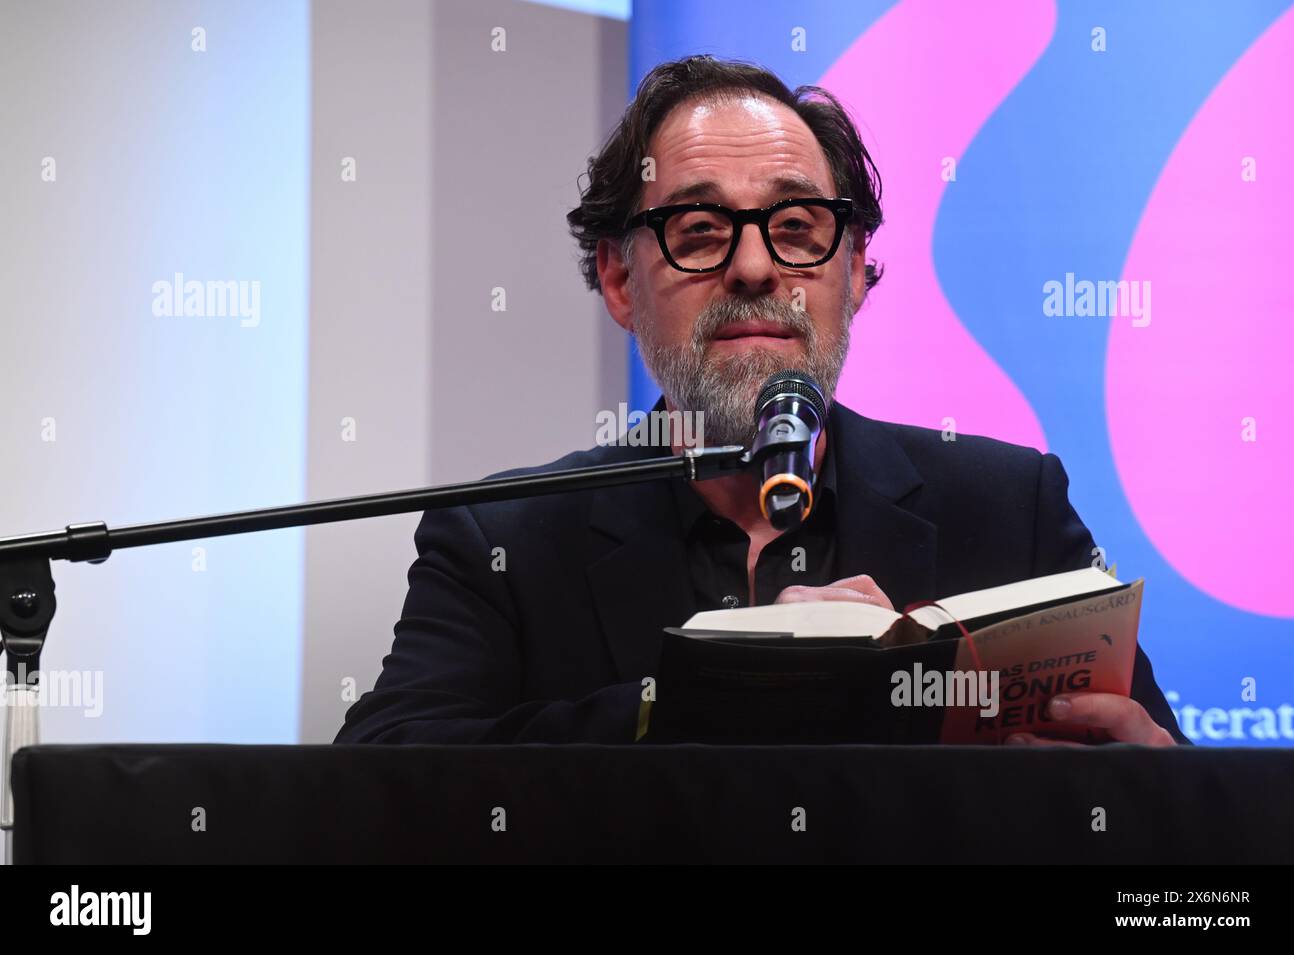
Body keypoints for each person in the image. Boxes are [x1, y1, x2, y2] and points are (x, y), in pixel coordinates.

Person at [336, 55, 1186, 747]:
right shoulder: (505, 541)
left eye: (796, 228)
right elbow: (382, 776)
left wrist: (1154, 784)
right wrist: (697, 694)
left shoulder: (1011, 509)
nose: (752, 268)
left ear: (853, 273)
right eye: (699, 231)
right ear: (619, 278)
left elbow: (1188, 816)